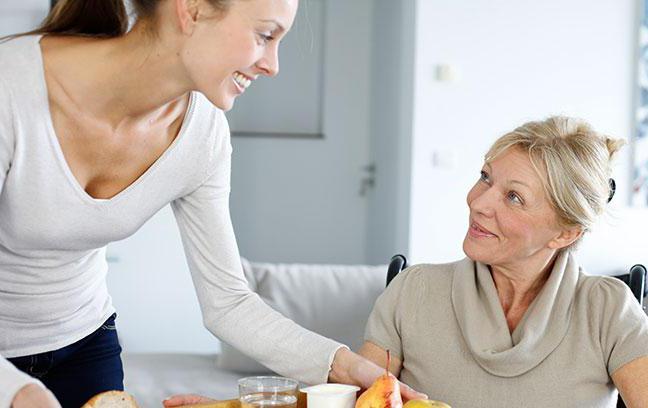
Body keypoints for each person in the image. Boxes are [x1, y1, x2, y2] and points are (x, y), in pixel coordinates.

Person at [0, 1, 426, 407]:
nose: (273, 65)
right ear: (193, 8)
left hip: (85, 345)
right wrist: (19, 392)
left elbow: (229, 303)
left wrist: (342, 365)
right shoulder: (11, 88)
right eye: (264, 35)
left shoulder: (203, 136)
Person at [356, 116, 648, 407]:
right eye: (486, 177)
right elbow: (358, 401)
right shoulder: (412, 292)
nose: (478, 203)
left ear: (566, 233)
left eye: (514, 197)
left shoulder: (608, 310)